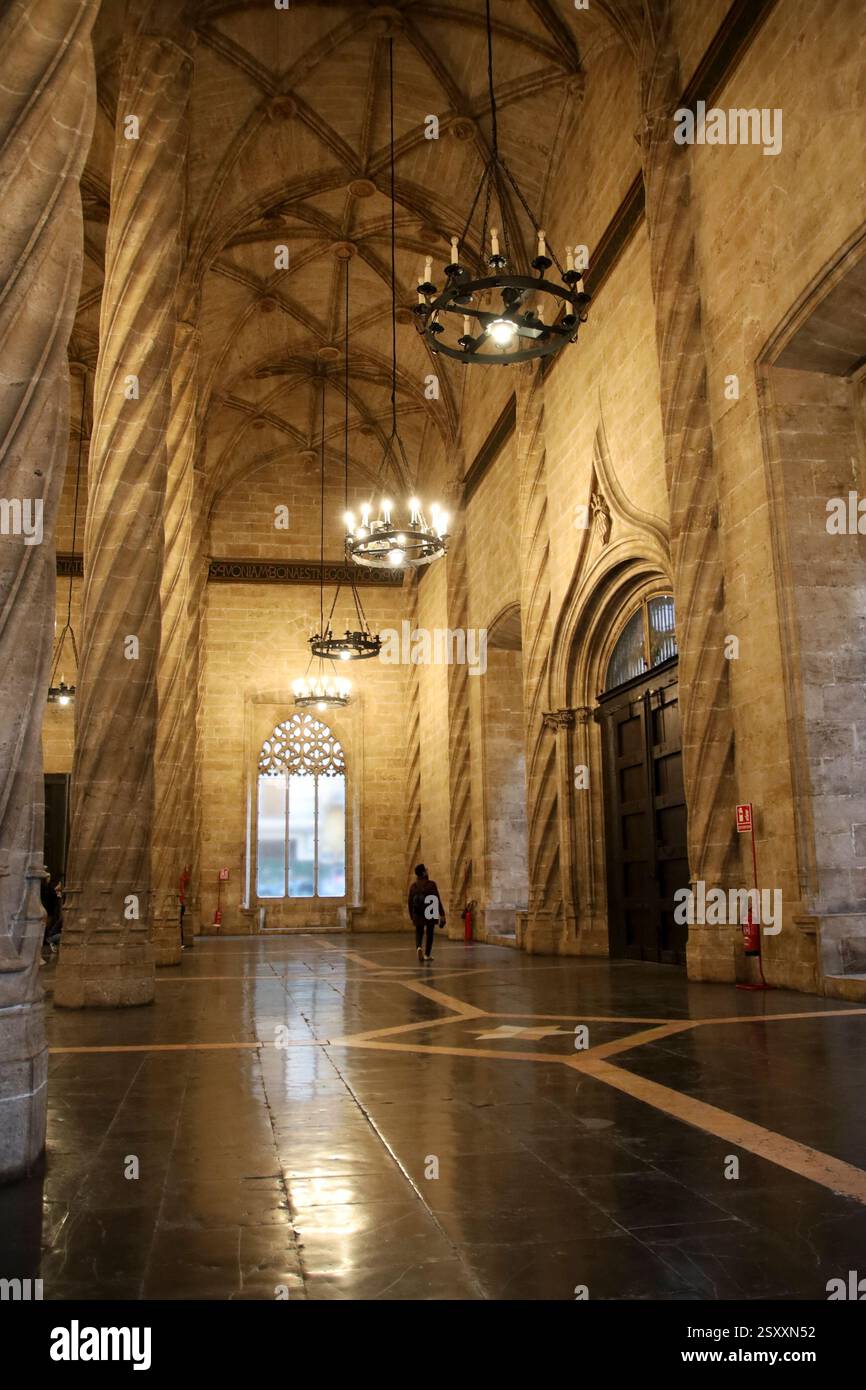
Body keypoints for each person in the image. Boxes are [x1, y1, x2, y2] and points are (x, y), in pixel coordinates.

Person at [408, 863, 446, 963]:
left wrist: (412, 916)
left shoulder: (413, 886)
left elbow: (410, 902)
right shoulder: (431, 884)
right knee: (430, 933)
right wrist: (442, 914)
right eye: (426, 870)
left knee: (419, 932)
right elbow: (437, 900)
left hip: (418, 913)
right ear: (424, 872)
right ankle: (427, 954)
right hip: (430, 912)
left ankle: (419, 947)